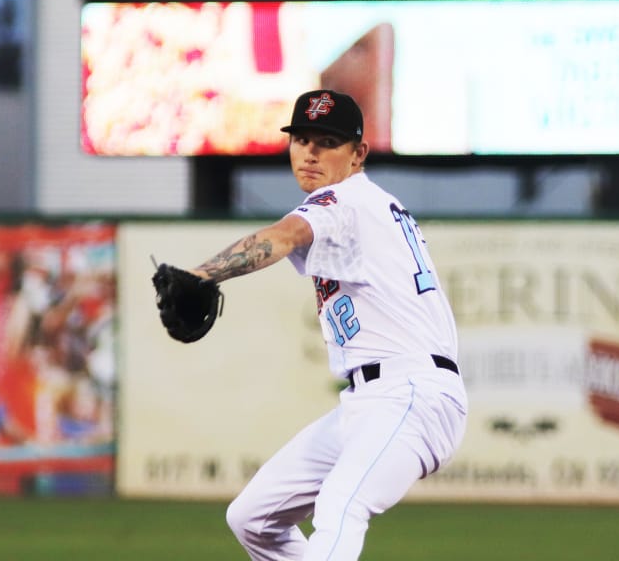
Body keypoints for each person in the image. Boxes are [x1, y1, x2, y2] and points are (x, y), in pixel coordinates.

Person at [169, 89, 468, 560]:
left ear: (357, 154)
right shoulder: (365, 205)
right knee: (252, 518)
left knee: (341, 504)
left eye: (327, 141)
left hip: (412, 394)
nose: (310, 152)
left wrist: (200, 276)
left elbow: (284, 236)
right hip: (367, 401)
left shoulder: (347, 199)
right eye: (301, 138)